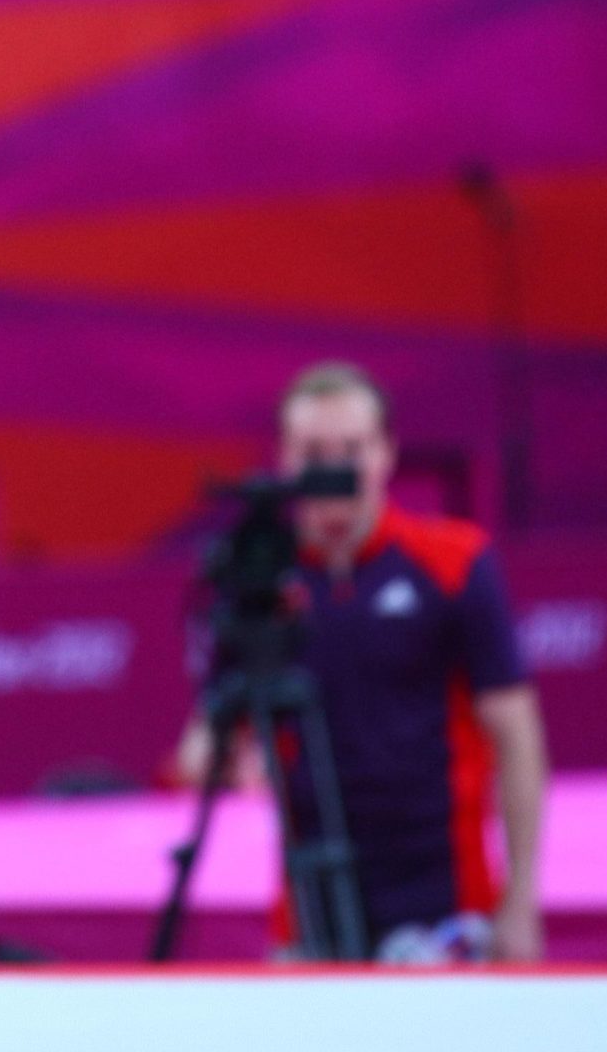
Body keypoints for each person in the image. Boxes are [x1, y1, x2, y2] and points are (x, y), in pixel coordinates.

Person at [177, 362, 548, 964]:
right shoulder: (259, 582)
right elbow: (201, 747)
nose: (332, 467)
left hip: (445, 909)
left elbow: (518, 738)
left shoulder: (454, 562)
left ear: (387, 454)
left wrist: (523, 897)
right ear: (284, 461)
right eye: (312, 451)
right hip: (308, 919)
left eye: (351, 448)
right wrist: (227, 761)